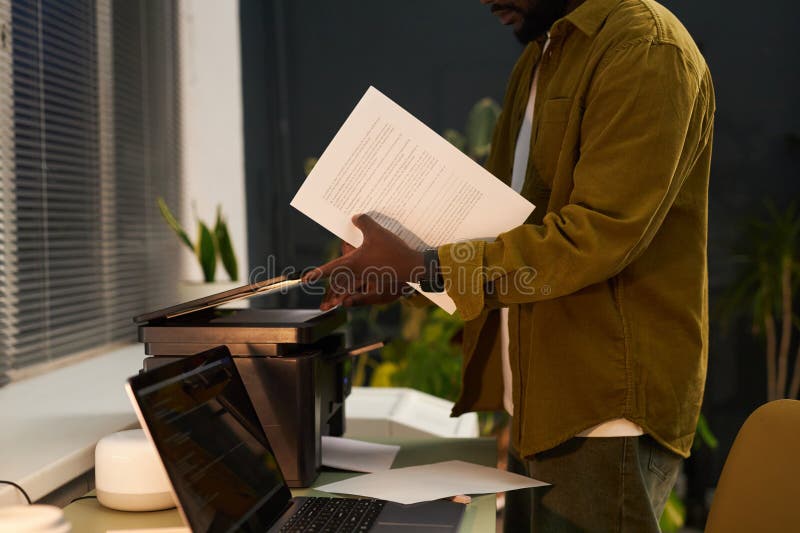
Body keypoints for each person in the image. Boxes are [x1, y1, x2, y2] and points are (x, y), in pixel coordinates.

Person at [304, 0, 714, 530]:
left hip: (602, 411)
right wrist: (404, 273)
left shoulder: (645, 48)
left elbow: (595, 236)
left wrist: (424, 267)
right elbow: (511, 228)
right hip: (539, 397)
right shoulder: (542, 56)